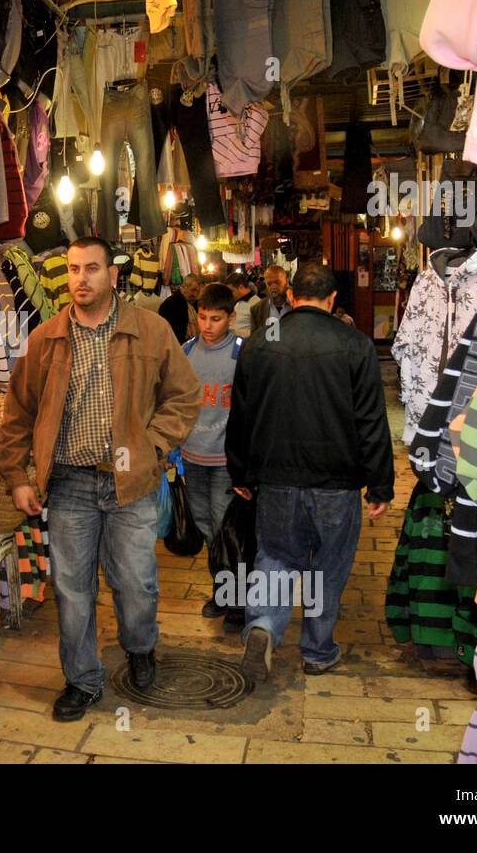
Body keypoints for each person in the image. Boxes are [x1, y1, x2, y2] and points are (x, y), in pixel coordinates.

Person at [0, 236, 201, 721]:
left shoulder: (149, 331)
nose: (80, 279)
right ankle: (83, 681)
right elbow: (18, 412)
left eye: (91, 269)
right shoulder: (46, 337)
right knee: (72, 589)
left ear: (113, 275)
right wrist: (17, 475)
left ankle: (140, 645)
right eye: (72, 269)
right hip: (68, 483)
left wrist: (152, 445)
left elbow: (186, 396)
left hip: (130, 481)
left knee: (136, 585)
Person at [225, 262, 394, 682]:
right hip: (337, 484)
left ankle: (263, 626)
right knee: (329, 566)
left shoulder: (261, 343)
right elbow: (372, 420)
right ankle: (317, 651)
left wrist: (241, 472)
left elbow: (241, 414)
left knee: (277, 556)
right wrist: (381, 485)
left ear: (292, 297)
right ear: (333, 300)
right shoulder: (354, 344)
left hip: (277, 480)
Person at [179, 283, 244, 618]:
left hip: (225, 461)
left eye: (216, 318)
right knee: (205, 526)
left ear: (231, 318)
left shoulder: (243, 353)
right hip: (192, 457)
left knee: (225, 527)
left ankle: (236, 601)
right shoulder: (186, 351)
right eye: (202, 317)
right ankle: (221, 592)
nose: (207, 325)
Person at [249, 265, 292, 335]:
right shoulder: (257, 309)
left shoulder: (297, 304)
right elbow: (255, 340)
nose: (273, 287)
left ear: (286, 281)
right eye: (269, 284)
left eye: (277, 282)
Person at [158, 275, 201, 343]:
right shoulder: (171, 304)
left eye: (198, 291)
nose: (195, 294)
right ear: (184, 287)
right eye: (193, 290)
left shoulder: (195, 304)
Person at [225, 272, 261, 337]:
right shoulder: (234, 301)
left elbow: (260, 331)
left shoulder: (257, 304)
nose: (229, 295)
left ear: (241, 287)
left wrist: (236, 332)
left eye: (232, 291)